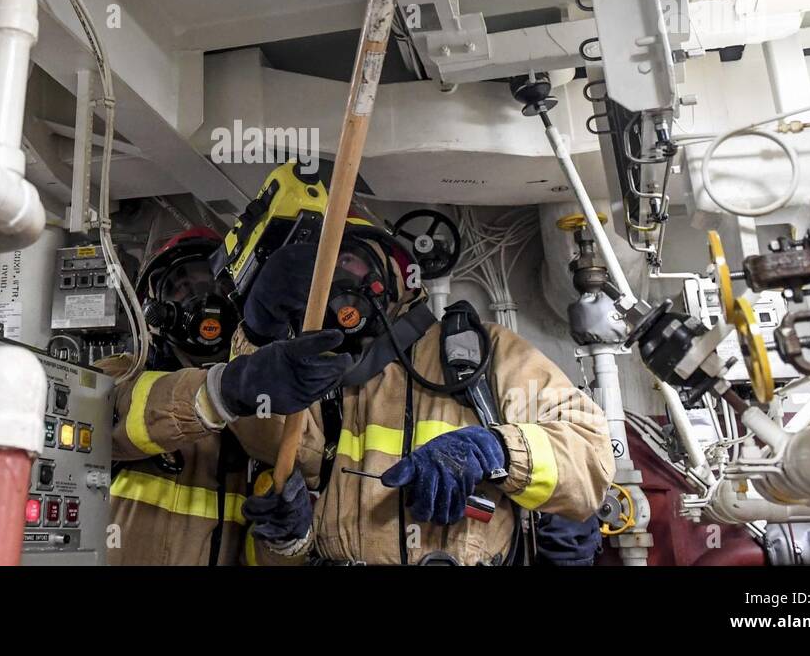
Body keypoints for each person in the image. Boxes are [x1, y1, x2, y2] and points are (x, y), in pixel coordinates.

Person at [239, 223, 615, 566]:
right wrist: (258, 335)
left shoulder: (485, 354)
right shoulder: (316, 376)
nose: (335, 276)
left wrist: (497, 450)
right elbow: (266, 442)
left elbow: (591, 461)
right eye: (324, 267)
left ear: (399, 275)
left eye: (348, 259)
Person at [97, 228, 349, 565]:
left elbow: (257, 556)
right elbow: (109, 421)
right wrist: (223, 391)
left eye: (216, 284)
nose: (202, 297)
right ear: (152, 310)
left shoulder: (272, 407)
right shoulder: (122, 373)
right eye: (180, 286)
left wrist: (285, 543)